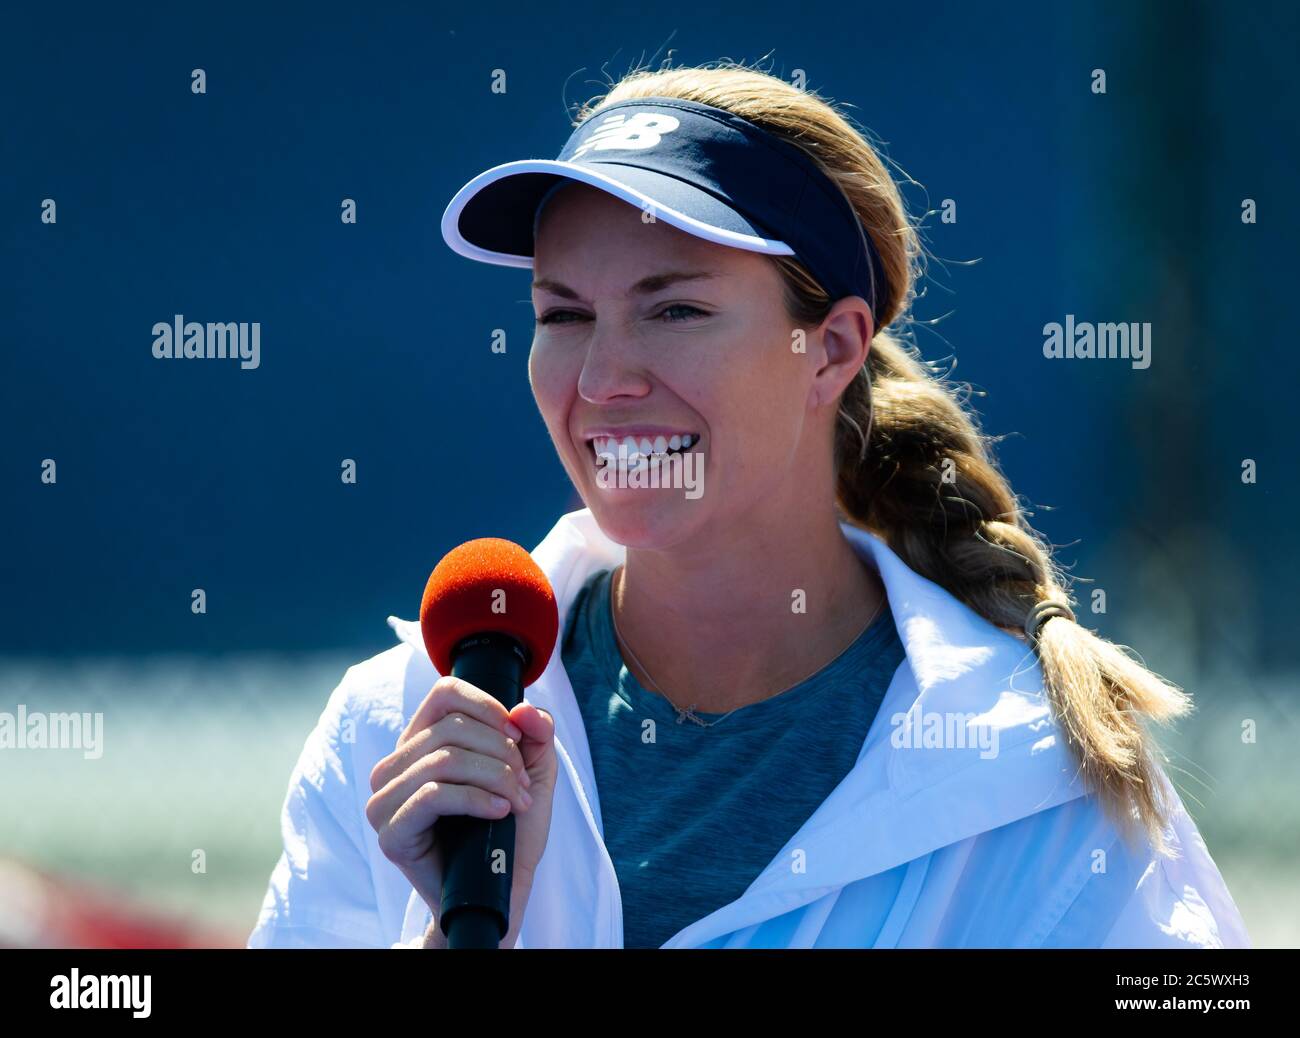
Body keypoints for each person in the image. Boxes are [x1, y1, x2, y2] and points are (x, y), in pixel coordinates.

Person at [247, 63, 1250, 949]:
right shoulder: (397, 727)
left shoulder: (1036, 771)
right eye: (563, 315)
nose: (601, 377)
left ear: (832, 347)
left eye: (675, 308)